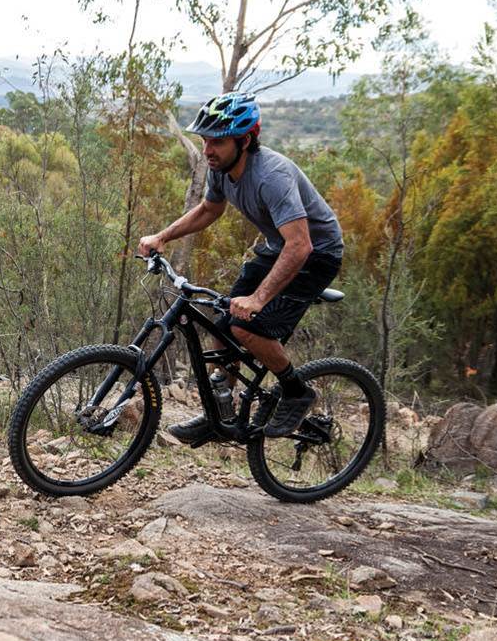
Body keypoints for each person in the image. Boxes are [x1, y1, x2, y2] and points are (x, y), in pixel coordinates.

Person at [137, 91, 344, 440]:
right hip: (279, 248)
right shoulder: (222, 169)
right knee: (223, 325)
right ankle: (220, 414)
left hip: (315, 254)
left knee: (247, 326)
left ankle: (297, 392)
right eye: (205, 141)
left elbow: (300, 244)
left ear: (245, 140)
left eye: (216, 142)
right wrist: (163, 236)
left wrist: (259, 299)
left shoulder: (271, 176)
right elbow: (208, 210)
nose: (207, 151)